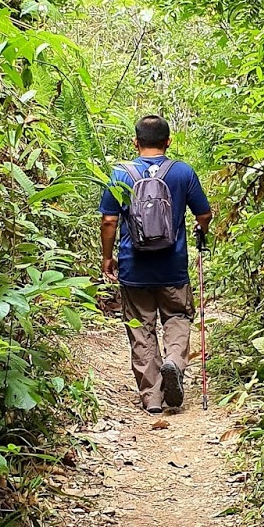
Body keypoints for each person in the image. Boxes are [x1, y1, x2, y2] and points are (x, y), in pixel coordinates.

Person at [99, 114, 212, 414]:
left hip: (133, 268)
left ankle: (152, 397)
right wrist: (202, 231)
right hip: (173, 267)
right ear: (168, 141)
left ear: (135, 142)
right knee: (177, 316)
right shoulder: (182, 172)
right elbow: (204, 214)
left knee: (141, 329)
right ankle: (173, 360)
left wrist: (107, 257)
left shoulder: (120, 174)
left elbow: (109, 220)